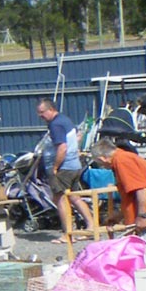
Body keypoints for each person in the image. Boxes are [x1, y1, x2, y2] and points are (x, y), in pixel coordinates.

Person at [95, 137, 146, 230]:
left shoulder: (121, 161)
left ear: (103, 158)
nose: (103, 167)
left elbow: (141, 189)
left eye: (100, 163)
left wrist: (142, 216)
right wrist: (119, 215)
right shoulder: (126, 157)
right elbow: (132, 196)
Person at [35, 98, 84, 240]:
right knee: (75, 197)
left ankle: (68, 234)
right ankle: (90, 226)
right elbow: (78, 135)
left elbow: (62, 147)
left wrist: (55, 167)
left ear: (51, 109)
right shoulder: (65, 120)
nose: (40, 116)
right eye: (38, 113)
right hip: (74, 164)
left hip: (64, 167)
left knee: (59, 199)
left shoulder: (55, 124)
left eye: (42, 112)